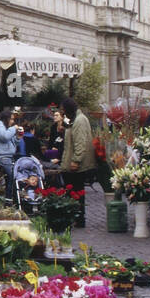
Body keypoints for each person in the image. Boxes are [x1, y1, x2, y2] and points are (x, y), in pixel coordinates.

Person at [59, 97, 95, 227]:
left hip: (76, 165)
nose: (62, 112)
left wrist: (76, 160)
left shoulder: (80, 121)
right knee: (73, 192)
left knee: (76, 192)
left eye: (63, 110)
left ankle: (78, 218)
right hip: (71, 162)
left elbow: (80, 142)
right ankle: (75, 217)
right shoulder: (74, 120)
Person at [0, 107, 22, 201]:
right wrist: (14, 128)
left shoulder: (7, 128)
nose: (12, 121)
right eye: (11, 119)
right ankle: (8, 201)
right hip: (2, 157)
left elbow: (12, 142)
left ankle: (8, 200)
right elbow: (4, 137)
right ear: (6, 118)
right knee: (10, 178)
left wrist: (18, 138)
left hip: (8, 157)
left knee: (10, 179)